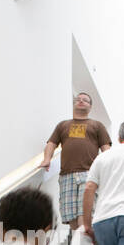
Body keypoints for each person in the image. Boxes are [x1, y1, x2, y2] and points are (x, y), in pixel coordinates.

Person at [42, 92, 111, 230]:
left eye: (85, 100)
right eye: (78, 99)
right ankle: (79, 244)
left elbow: (106, 149)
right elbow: (51, 143)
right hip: (66, 175)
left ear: (90, 106)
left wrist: (107, 170)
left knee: (84, 214)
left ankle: (85, 244)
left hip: (89, 173)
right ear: (74, 104)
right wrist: (47, 159)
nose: (81, 101)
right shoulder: (63, 125)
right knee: (71, 217)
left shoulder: (97, 125)